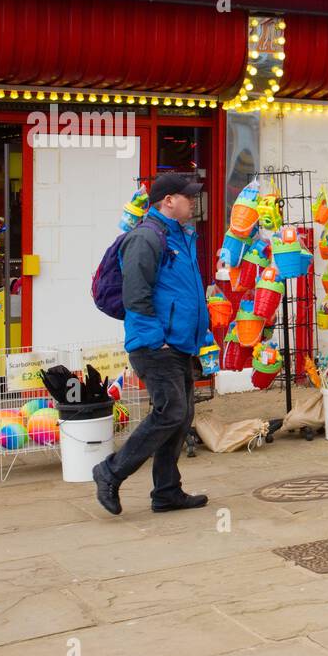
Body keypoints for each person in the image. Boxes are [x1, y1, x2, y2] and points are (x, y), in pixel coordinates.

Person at [92, 174, 210, 516]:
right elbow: (136, 295)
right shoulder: (147, 237)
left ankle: (167, 491)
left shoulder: (181, 236)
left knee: (181, 414)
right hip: (156, 345)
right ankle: (110, 472)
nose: (193, 202)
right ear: (168, 200)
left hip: (179, 343)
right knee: (170, 412)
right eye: (188, 197)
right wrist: (154, 341)